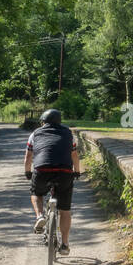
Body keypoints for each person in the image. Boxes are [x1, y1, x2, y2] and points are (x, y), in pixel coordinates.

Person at [24, 108, 80, 255]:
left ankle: (40, 216)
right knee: (65, 210)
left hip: (42, 170)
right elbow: (74, 155)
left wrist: (27, 172)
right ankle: (65, 244)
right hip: (65, 172)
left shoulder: (35, 133)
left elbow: (28, 157)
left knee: (36, 193)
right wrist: (77, 171)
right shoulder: (68, 134)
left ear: (43, 121)